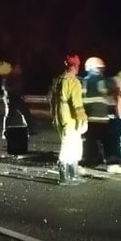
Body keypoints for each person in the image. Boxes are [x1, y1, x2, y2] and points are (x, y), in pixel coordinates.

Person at [49, 55, 87, 185]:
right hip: (71, 119)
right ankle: (66, 177)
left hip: (60, 117)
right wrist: (83, 120)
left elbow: (52, 100)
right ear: (76, 66)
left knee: (70, 145)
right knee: (71, 147)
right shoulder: (74, 82)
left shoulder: (58, 80)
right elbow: (77, 104)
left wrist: (54, 115)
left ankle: (72, 175)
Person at [81, 56, 118, 168]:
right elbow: (110, 95)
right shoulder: (103, 81)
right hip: (102, 117)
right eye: (100, 69)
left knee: (90, 141)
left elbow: (81, 99)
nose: (102, 72)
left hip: (90, 117)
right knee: (106, 141)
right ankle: (111, 163)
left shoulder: (84, 82)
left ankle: (89, 161)